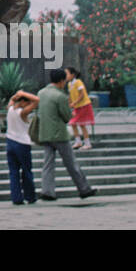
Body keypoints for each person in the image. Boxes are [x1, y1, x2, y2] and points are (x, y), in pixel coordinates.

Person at [35, 68, 97, 201]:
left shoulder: (41, 93)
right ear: (62, 81)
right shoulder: (60, 96)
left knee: (48, 164)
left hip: (45, 133)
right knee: (71, 163)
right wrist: (71, 114)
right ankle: (84, 189)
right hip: (59, 135)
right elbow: (66, 116)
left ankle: (47, 191)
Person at [5, 90, 39, 205]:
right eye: (27, 102)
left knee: (13, 172)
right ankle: (30, 196)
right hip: (22, 144)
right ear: (23, 102)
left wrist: (16, 95)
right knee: (26, 171)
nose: (29, 105)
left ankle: (16, 197)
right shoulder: (22, 113)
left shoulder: (10, 109)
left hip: (10, 142)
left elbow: (11, 100)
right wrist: (23, 93)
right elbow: (37, 100)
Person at [66, 67, 95, 149]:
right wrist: (70, 104)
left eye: (67, 74)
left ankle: (86, 143)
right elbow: (70, 96)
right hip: (78, 107)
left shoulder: (78, 82)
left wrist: (74, 103)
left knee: (77, 124)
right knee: (75, 124)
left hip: (84, 106)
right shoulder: (69, 84)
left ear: (72, 75)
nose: (66, 76)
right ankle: (80, 142)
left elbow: (82, 94)